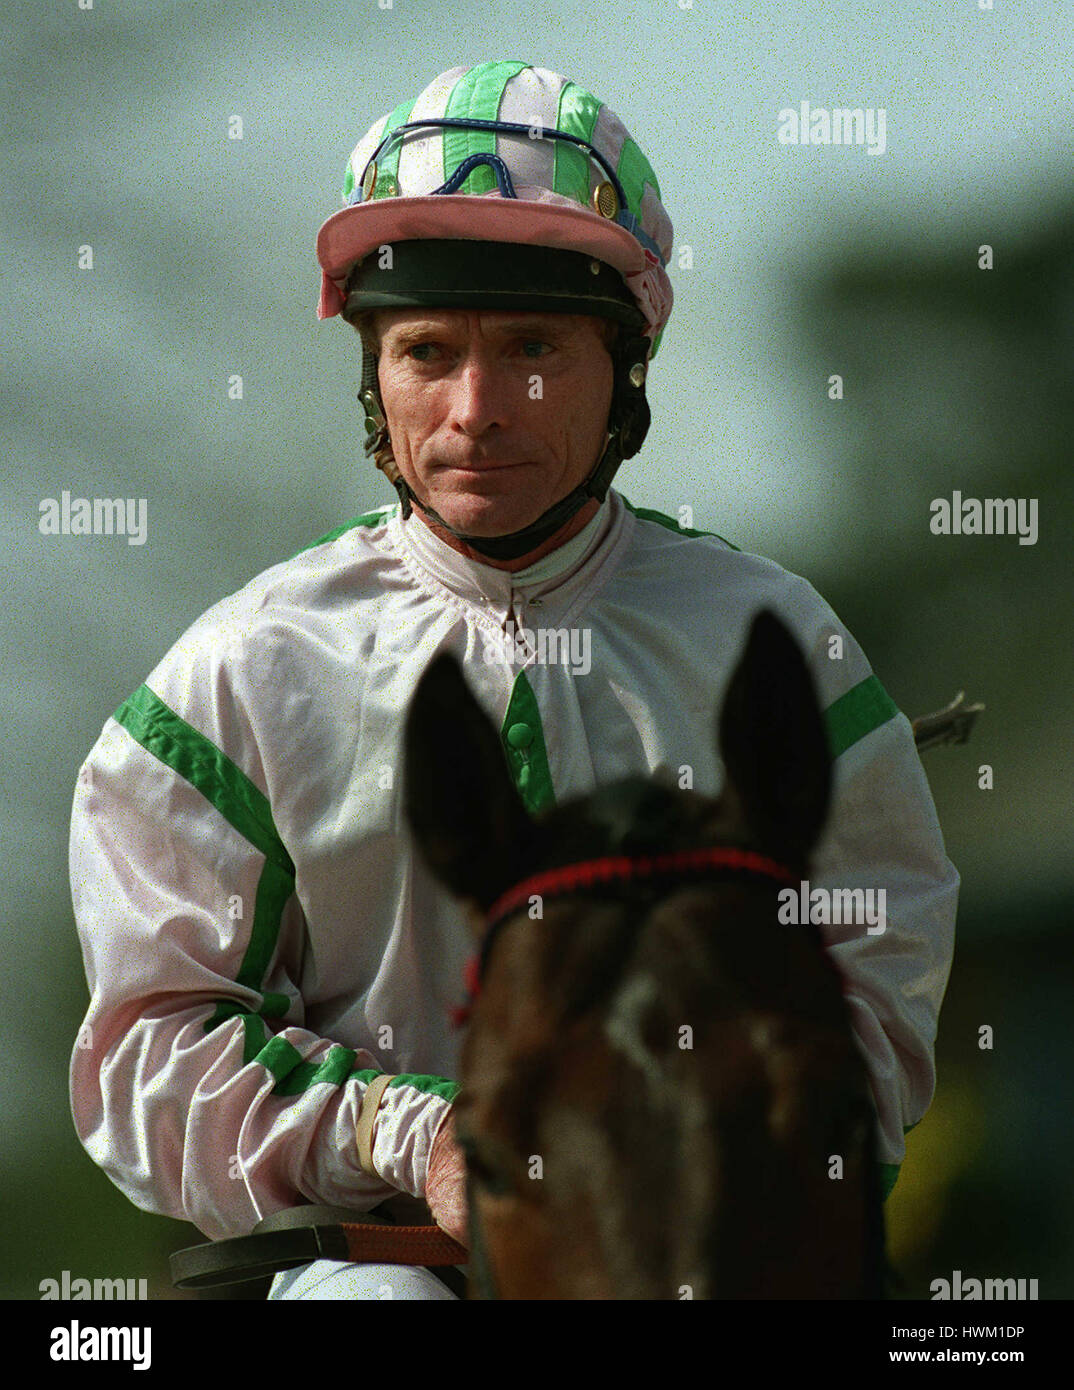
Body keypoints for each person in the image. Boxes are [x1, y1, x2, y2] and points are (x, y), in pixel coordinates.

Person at [68, 61, 958, 1300]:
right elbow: (145, 1052)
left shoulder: (775, 636)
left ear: (625, 372)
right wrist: (420, 1135)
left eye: (535, 347)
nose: (478, 409)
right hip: (381, 1258)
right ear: (374, 380)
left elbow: (877, 971)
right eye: (429, 351)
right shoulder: (238, 674)